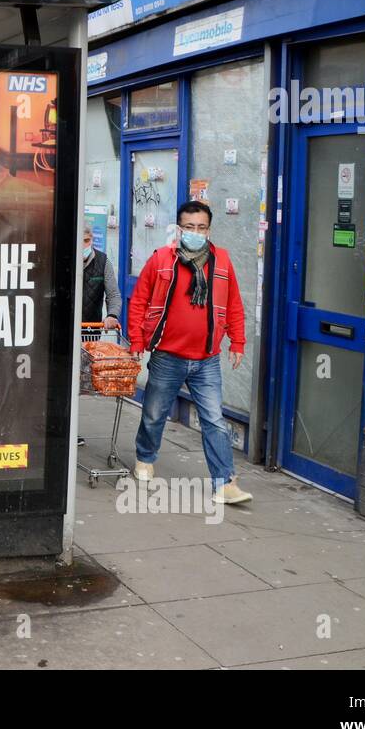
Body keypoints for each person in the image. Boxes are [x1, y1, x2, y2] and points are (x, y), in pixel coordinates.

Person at [126, 201, 251, 504]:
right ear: (179, 228)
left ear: (209, 229)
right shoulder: (161, 260)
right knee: (155, 414)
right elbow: (139, 300)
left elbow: (233, 302)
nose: (196, 233)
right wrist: (136, 342)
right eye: (190, 227)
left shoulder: (221, 261)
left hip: (206, 359)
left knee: (214, 421)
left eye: (202, 228)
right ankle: (145, 457)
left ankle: (225, 483)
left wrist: (237, 341)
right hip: (168, 356)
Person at [78, 221, 122, 448]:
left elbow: (113, 293)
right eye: (80, 241)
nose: (84, 245)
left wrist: (112, 314)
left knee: (81, 384)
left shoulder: (103, 262)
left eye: (87, 241)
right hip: (66, 332)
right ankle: (64, 428)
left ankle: (71, 427)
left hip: (88, 332)